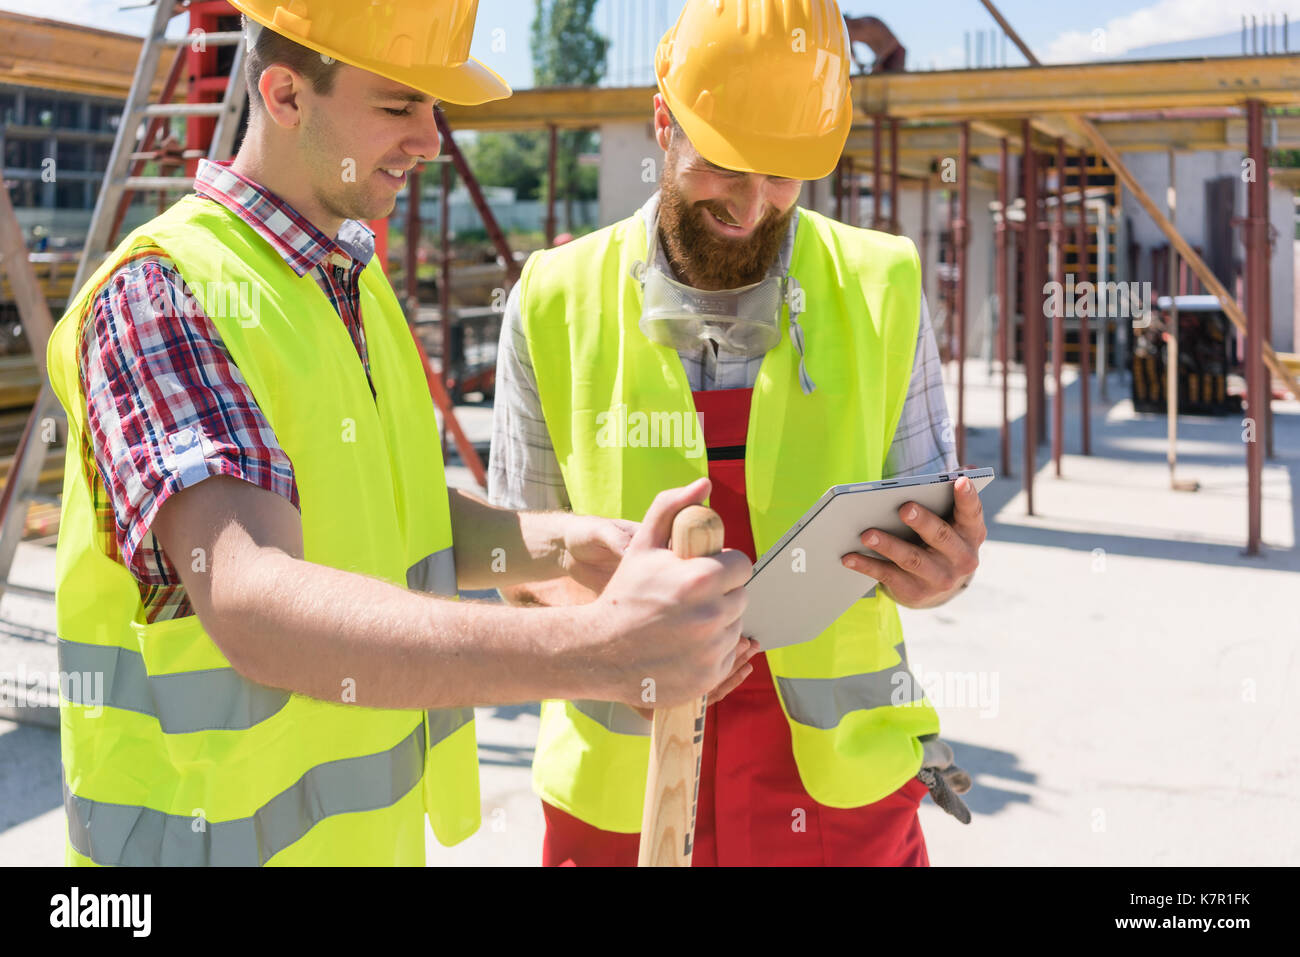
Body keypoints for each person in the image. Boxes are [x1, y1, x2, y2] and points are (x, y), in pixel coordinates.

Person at [45, 0, 752, 866]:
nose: (430, 139)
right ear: (285, 94)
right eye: (398, 106)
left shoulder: (347, 278)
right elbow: (252, 599)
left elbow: (393, 513)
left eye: (434, 108)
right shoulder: (162, 292)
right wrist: (599, 652)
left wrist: (566, 546)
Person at [489, 0, 986, 866]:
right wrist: (614, 648)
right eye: (727, 167)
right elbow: (513, 554)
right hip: (621, 793)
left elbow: (921, 537)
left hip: (839, 803)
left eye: (784, 175)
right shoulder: (553, 296)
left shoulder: (883, 284)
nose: (755, 205)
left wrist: (941, 573)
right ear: (662, 121)